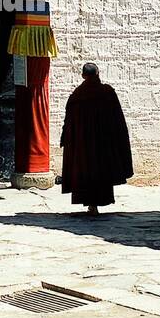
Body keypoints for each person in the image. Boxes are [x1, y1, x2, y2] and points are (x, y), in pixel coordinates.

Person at [59, 63, 134, 214]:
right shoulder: (107, 92)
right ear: (98, 73)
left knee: (86, 171)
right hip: (103, 143)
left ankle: (91, 205)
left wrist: (66, 139)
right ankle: (97, 203)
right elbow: (117, 119)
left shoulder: (77, 96)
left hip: (83, 146)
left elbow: (69, 122)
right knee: (101, 170)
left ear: (83, 76)